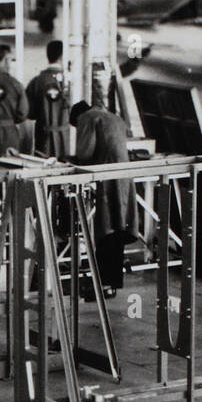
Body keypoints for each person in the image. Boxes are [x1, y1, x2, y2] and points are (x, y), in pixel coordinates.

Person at [70, 99, 136, 297]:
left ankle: (102, 285)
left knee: (105, 230)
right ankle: (111, 284)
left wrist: (71, 160)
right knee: (118, 227)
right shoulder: (114, 117)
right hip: (124, 178)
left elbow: (84, 152)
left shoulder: (86, 118)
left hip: (107, 177)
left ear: (77, 117)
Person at [26, 40, 68, 159]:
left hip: (43, 138)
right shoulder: (71, 81)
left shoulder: (36, 82)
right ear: (62, 56)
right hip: (67, 138)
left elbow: (29, 113)